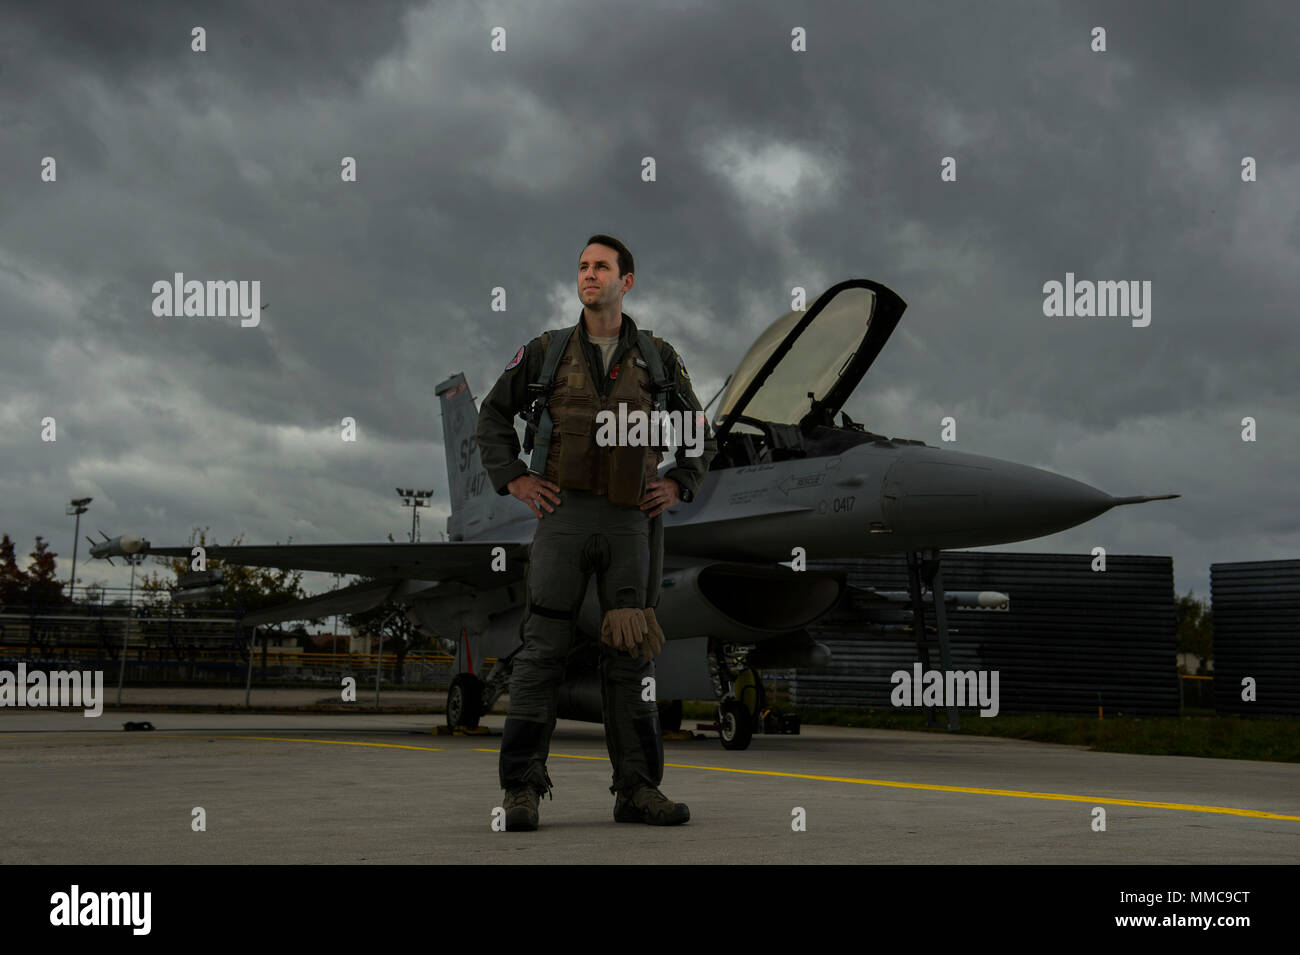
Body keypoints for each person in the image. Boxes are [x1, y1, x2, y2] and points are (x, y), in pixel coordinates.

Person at [475, 234, 715, 830]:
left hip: (631, 520)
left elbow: (696, 430)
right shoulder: (546, 353)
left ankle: (637, 790)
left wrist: (682, 481)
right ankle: (521, 791)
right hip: (564, 515)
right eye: (582, 266)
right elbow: (492, 416)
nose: (589, 275)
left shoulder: (658, 358)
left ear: (625, 281)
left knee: (632, 656)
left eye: (601, 267)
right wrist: (516, 480)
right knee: (540, 656)